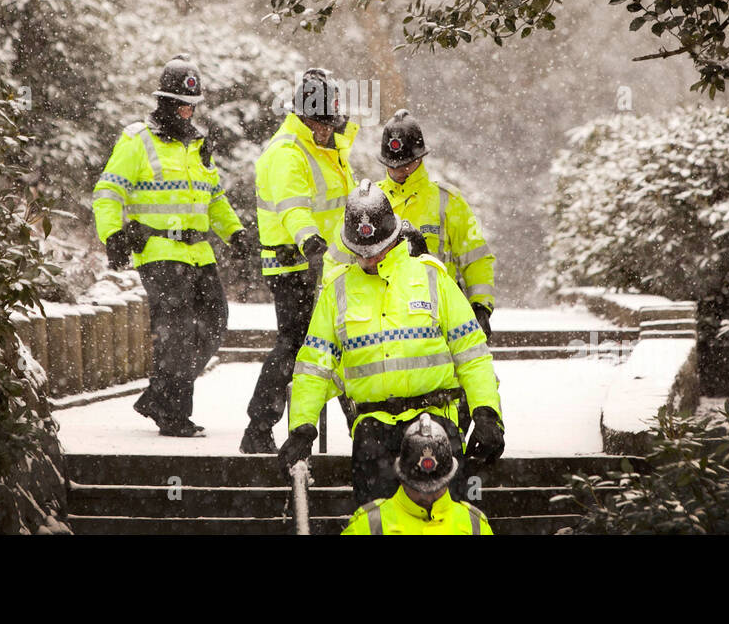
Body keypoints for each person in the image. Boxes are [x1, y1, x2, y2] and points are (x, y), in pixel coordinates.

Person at [279, 180, 505, 506]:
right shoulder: (338, 292)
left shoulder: (432, 279)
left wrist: (486, 413)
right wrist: (302, 429)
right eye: (361, 253)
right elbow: (314, 367)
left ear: (393, 237)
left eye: (376, 250)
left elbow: (472, 353)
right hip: (372, 430)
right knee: (375, 522)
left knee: (444, 522)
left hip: (435, 421)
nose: (369, 259)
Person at [92, 55, 254, 437]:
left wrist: (235, 233)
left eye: (193, 105)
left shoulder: (199, 144)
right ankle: (173, 415)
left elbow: (213, 197)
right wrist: (112, 235)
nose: (188, 111)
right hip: (159, 251)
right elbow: (107, 192)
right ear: (164, 102)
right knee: (178, 333)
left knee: (214, 325)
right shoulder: (137, 140)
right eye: (182, 104)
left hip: (199, 252)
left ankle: (158, 396)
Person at [240, 68, 358, 454]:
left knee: (339, 343)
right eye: (318, 122)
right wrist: (309, 239)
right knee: (296, 345)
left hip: (329, 265)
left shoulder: (329, 150)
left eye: (329, 122)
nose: (324, 129)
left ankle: (363, 426)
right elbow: (294, 207)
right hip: (293, 266)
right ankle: (259, 426)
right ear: (302, 115)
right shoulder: (287, 152)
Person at [377, 109, 497, 340]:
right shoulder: (371, 201)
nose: (399, 171)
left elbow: (477, 259)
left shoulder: (448, 201)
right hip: (384, 321)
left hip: (440, 318)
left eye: (405, 164)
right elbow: (344, 262)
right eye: (392, 165)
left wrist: (481, 306)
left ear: (419, 159)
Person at [342, 413, 492, 535]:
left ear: (449, 480)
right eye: (416, 488)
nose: (425, 497)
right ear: (401, 479)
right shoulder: (367, 526)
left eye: (435, 489)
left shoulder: (475, 526)